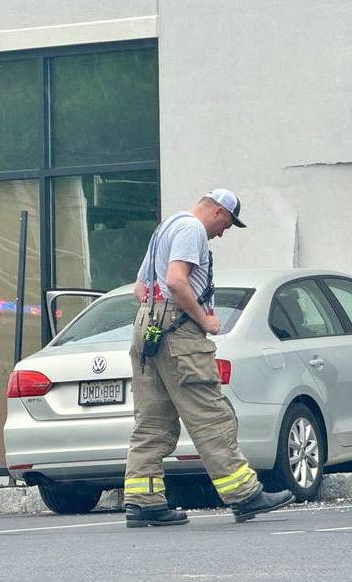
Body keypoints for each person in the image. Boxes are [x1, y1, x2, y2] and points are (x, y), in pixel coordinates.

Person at [123, 189, 294, 527]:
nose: (223, 232)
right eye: (227, 223)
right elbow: (175, 279)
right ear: (217, 211)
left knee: (153, 420)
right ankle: (245, 494)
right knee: (211, 415)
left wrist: (157, 314)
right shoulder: (192, 230)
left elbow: (140, 289)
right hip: (179, 332)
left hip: (149, 328)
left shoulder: (165, 228)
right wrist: (203, 320)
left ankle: (144, 502)